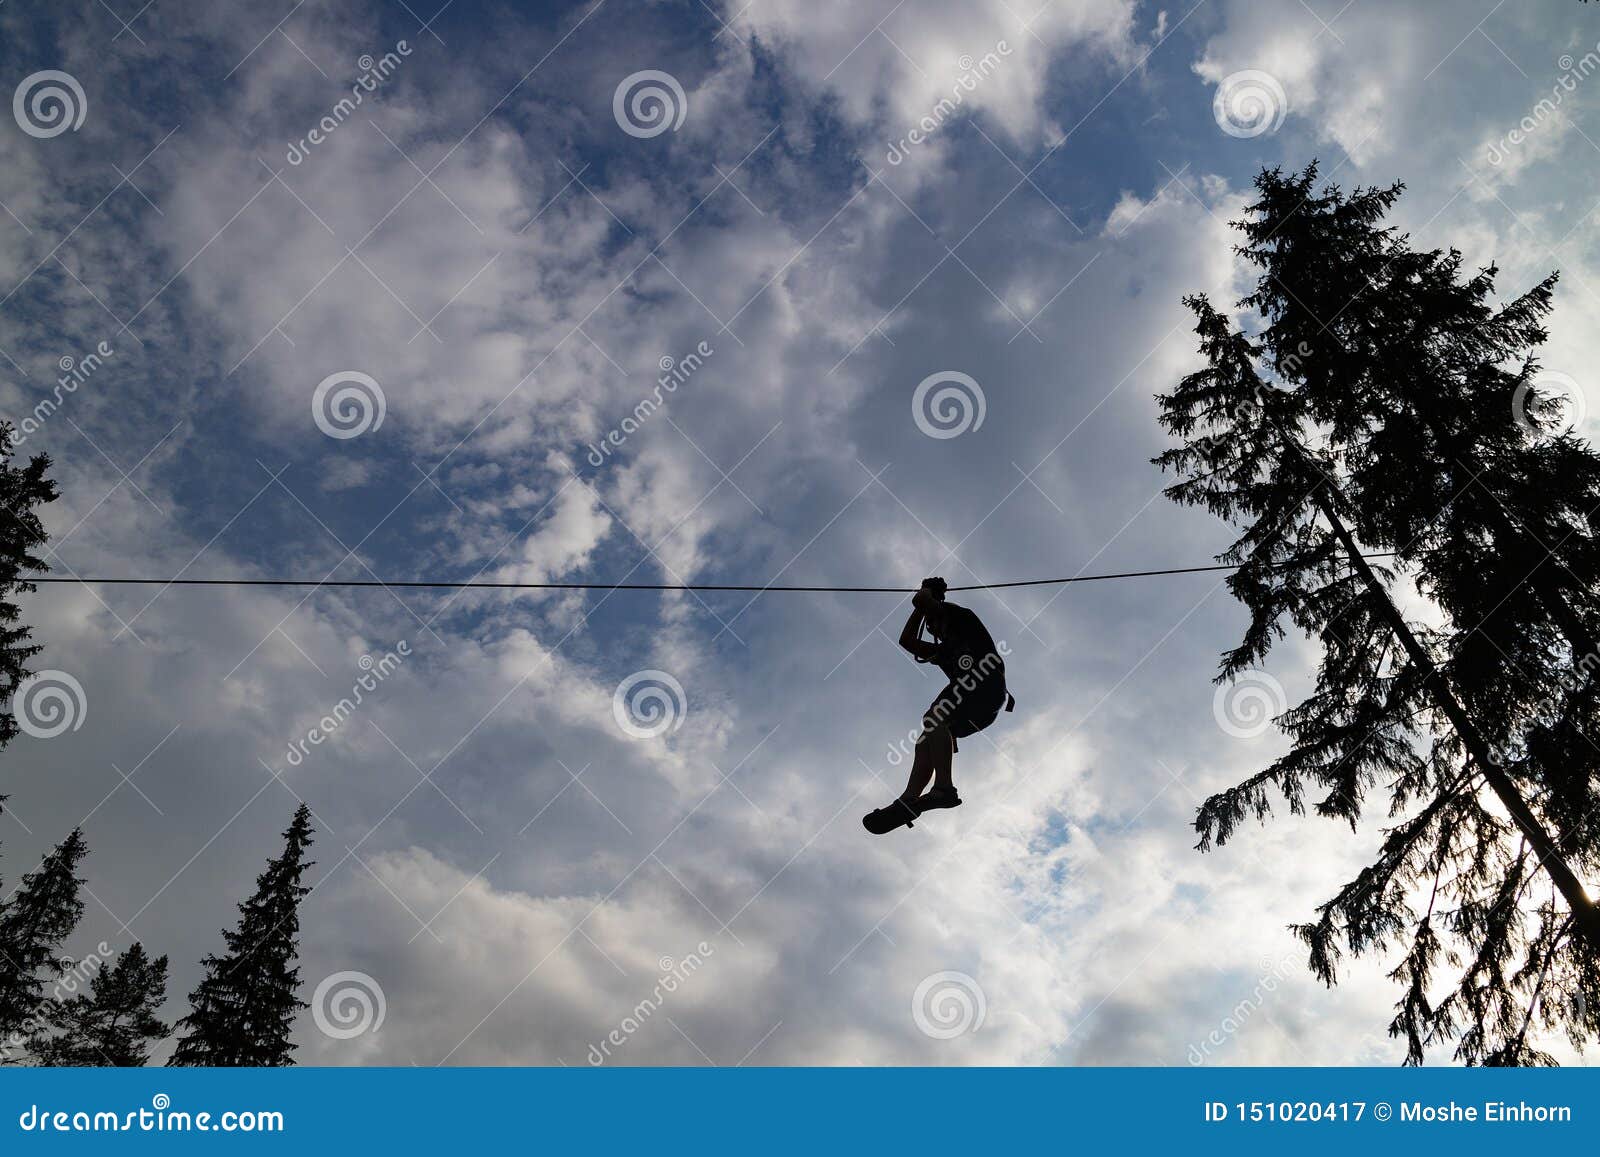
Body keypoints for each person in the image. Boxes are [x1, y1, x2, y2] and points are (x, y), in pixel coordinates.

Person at [863, 577, 1013, 834]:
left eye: (933, 621)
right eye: (929, 625)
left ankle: (943, 787)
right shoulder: (944, 650)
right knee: (925, 738)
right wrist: (921, 610)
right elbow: (907, 641)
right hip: (980, 707)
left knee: (934, 716)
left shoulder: (961, 618)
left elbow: (922, 600)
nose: (932, 628)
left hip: (986, 682)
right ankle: (910, 798)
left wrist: (928, 594)